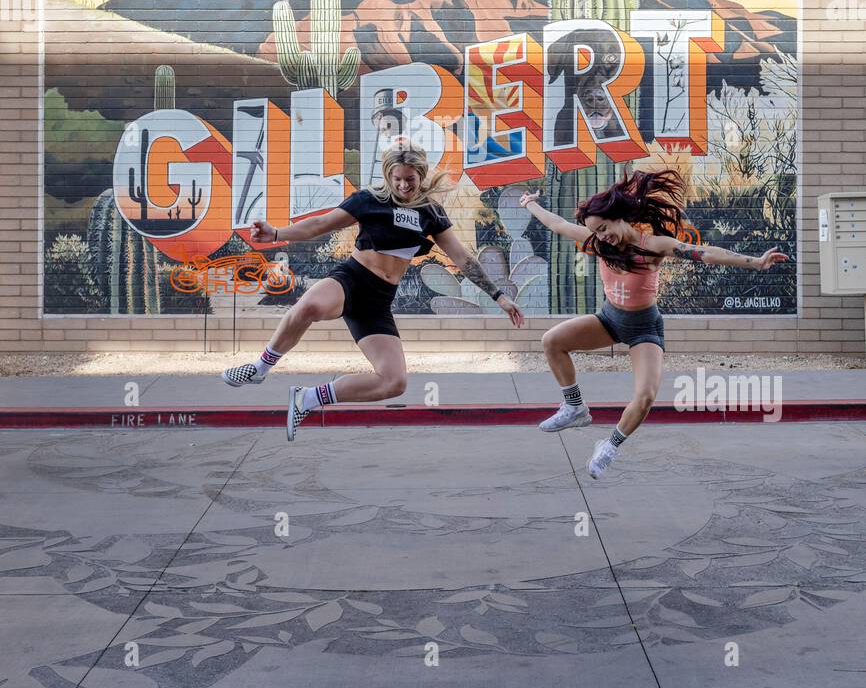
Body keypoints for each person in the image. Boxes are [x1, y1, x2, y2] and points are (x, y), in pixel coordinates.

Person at [223, 140, 525, 439]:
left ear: (420, 175)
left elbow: (462, 258)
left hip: (378, 301)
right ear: (387, 175)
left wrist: (499, 296)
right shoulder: (369, 199)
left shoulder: (430, 212)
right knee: (308, 307)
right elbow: (320, 224)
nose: (404, 185)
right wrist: (276, 233)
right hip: (352, 279)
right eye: (397, 179)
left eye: (410, 179)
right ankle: (260, 367)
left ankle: (309, 399)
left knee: (394, 382)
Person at [519, 168, 788, 478]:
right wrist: (529, 203)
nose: (603, 237)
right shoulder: (599, 244)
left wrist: (755, 261)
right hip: (609, 319)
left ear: (620, 217)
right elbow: (558, 224)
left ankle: (610, 446)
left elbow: (706, 254)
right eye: (596, 232)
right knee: (552, 341)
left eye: (605, 228)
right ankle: (575, 408)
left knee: (645, 395)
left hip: (644, 328)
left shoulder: (654, 246)